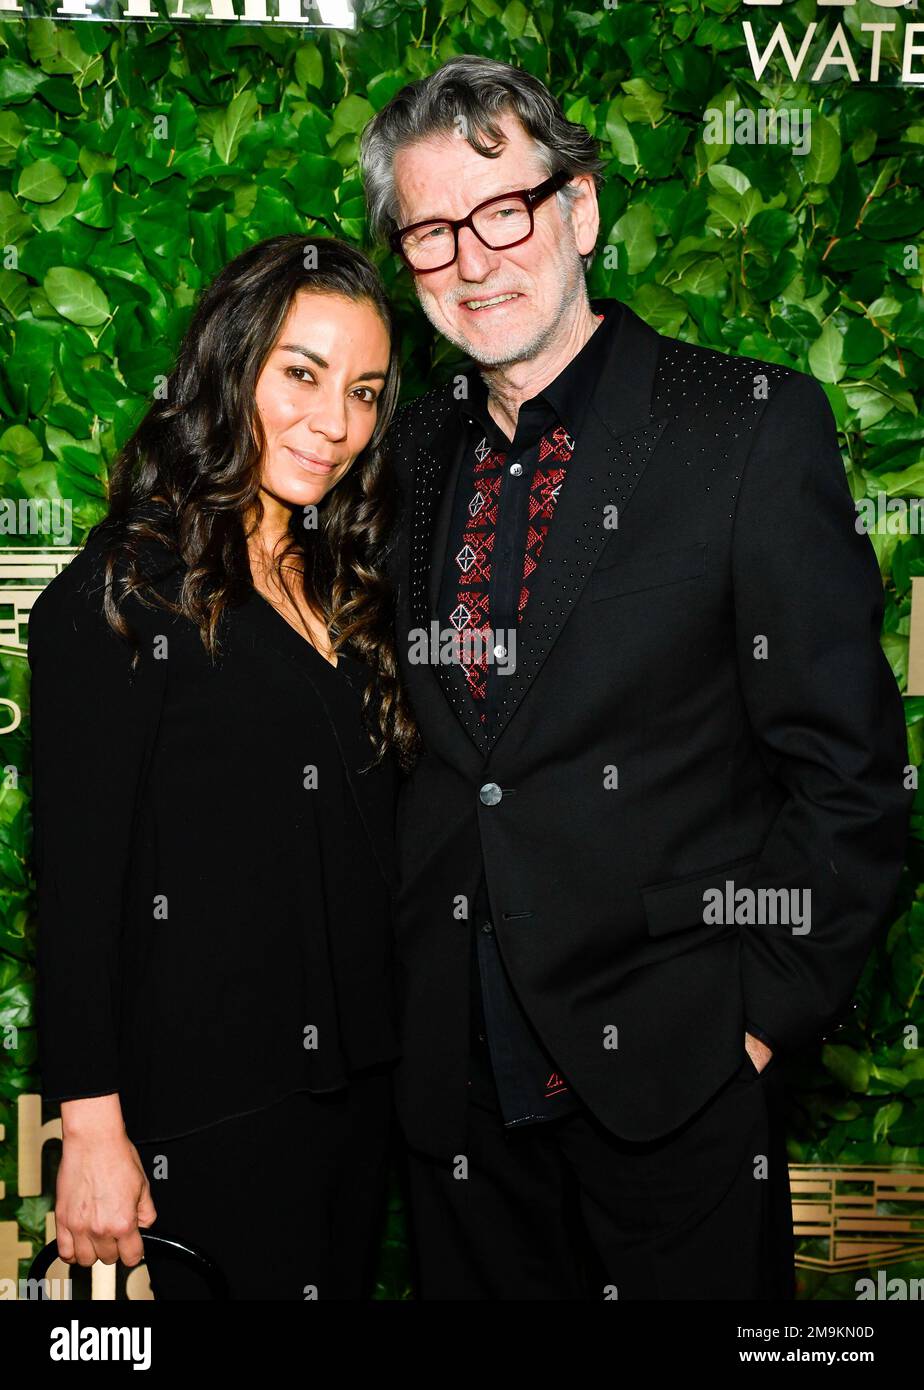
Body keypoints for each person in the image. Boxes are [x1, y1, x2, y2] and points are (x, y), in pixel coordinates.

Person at [359, 56, 913, 1299]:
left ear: (582, 210)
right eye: (433, 233)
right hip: (457, 1095)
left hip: (670, 1086)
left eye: (502, 210)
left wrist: (750, 1027)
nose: (475, 260)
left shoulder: (745, 426)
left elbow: (850, 775)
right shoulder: (409, 448)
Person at [28, 234, 419, 1300]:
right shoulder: (125, 590)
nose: (334, 422)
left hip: (353, 1098)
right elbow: (74, 894)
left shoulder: (345, 580)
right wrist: (92, 1135)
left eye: (366, 391)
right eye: (301, 372)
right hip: (198, 1116)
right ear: (229, 364)